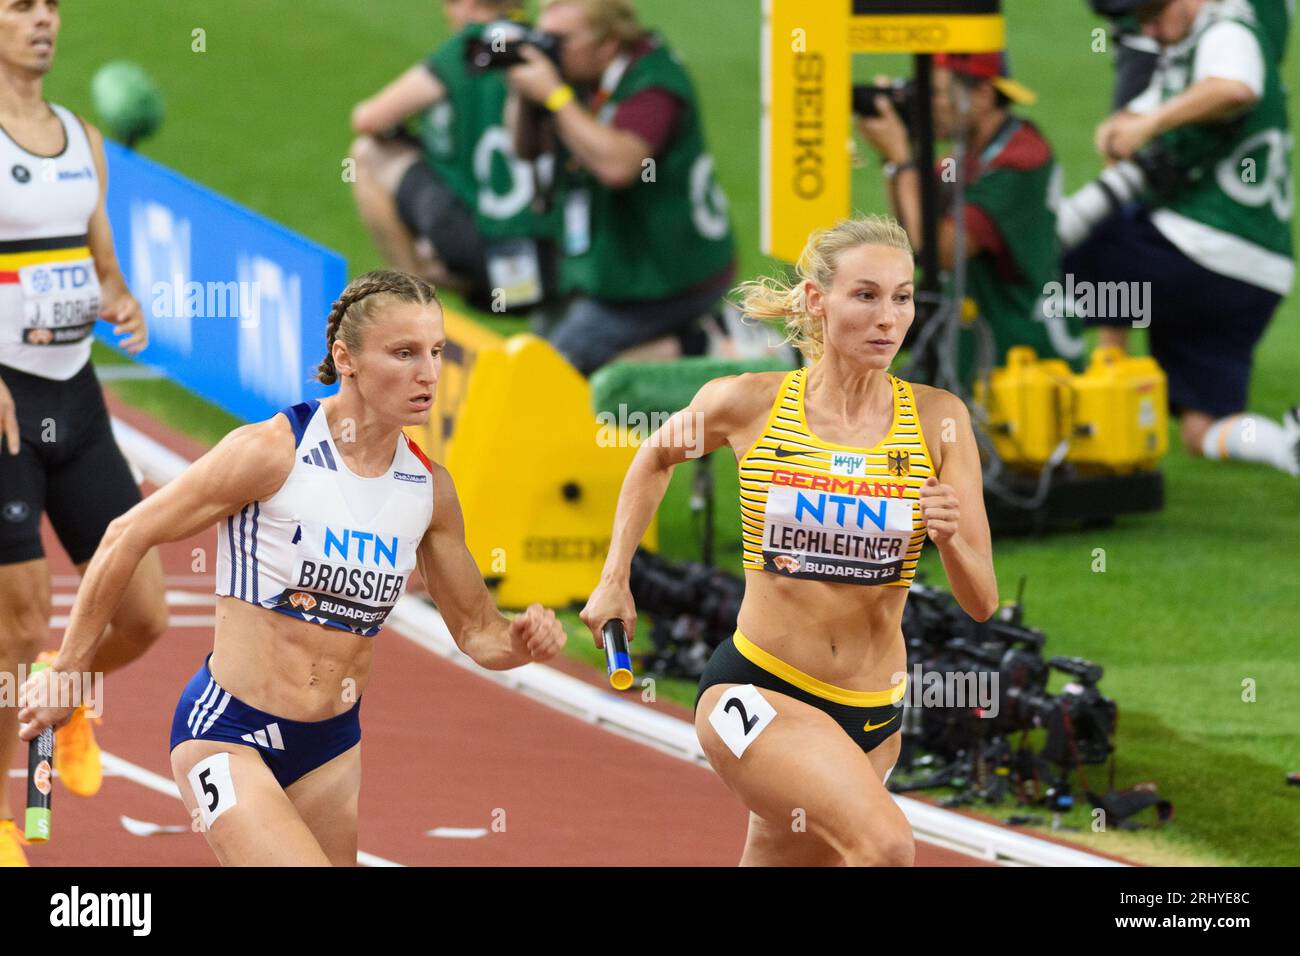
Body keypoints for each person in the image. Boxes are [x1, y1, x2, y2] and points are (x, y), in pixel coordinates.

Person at [19, 271, 567, 865]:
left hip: (330, 747)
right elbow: (128, 533)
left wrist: (520, 642)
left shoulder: (429, 490)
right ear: (346, 358)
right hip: (226, 734)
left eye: (435, 352)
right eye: (404, 353)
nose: (428, 374)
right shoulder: (273, 451)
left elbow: (478, 633)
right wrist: (70, 670)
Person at [580, 217, 998, 866]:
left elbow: (982, 603)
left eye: (903, 296)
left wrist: (950, 541)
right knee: (886, 847)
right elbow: (654, 458)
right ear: (814, 300)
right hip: (756, 690)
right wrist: (615, 578)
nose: (888, 318)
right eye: (866, 295)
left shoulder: (940, 422)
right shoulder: (750, 404)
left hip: (872, 716)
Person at [0, 0, 167, 865]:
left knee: (143, 614)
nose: (43, 20)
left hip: (78, 393)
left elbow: (100, 261)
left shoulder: (79, 135)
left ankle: (69, 703)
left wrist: (120, 295)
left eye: (51, 5)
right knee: (20, 631)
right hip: (5, 408)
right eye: (20, 5)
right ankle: (1, 826)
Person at [1066, 0, 1299, 474]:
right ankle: (1286, 445)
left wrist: (1149, 124)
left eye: (1154, 18)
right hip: (1255, 278)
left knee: (1041, 275)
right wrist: (1126, 126)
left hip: (1200, 253)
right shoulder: (1196, 44)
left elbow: (1235, 88)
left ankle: (1029, 439)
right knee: (1203, 428)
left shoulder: (1226, 32)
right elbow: (1126, 126)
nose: (1150, 33)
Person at [504, 0, 736, 375]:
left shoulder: (654, 84)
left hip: (670, 275)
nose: (550, 49)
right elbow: (526, 149)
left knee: (552, 373)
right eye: (542, 36)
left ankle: (714, 345)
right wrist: (522, 91)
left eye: (560, 40)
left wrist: (555, 97)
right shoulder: (579, 72)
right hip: (614, 263)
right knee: (551, 345)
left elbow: (619, 166)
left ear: (608, 43)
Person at [859, 52, 1086, 386]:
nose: (927, 104)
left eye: (934, 93)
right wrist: (895, 161)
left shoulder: (1020, 160)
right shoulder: (970, 153)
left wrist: (904, 160)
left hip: (1020, 354)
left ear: (982, 96)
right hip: (978, 340)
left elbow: (941, 251)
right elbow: (910, 234)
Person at [349, 0, 556, 313]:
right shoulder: (547, 48)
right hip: (550, 264)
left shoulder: (470, 46)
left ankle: (410, 305)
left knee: (366, 154)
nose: (447, 13)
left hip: (477, 254)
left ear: (470, 4)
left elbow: (368, 118)